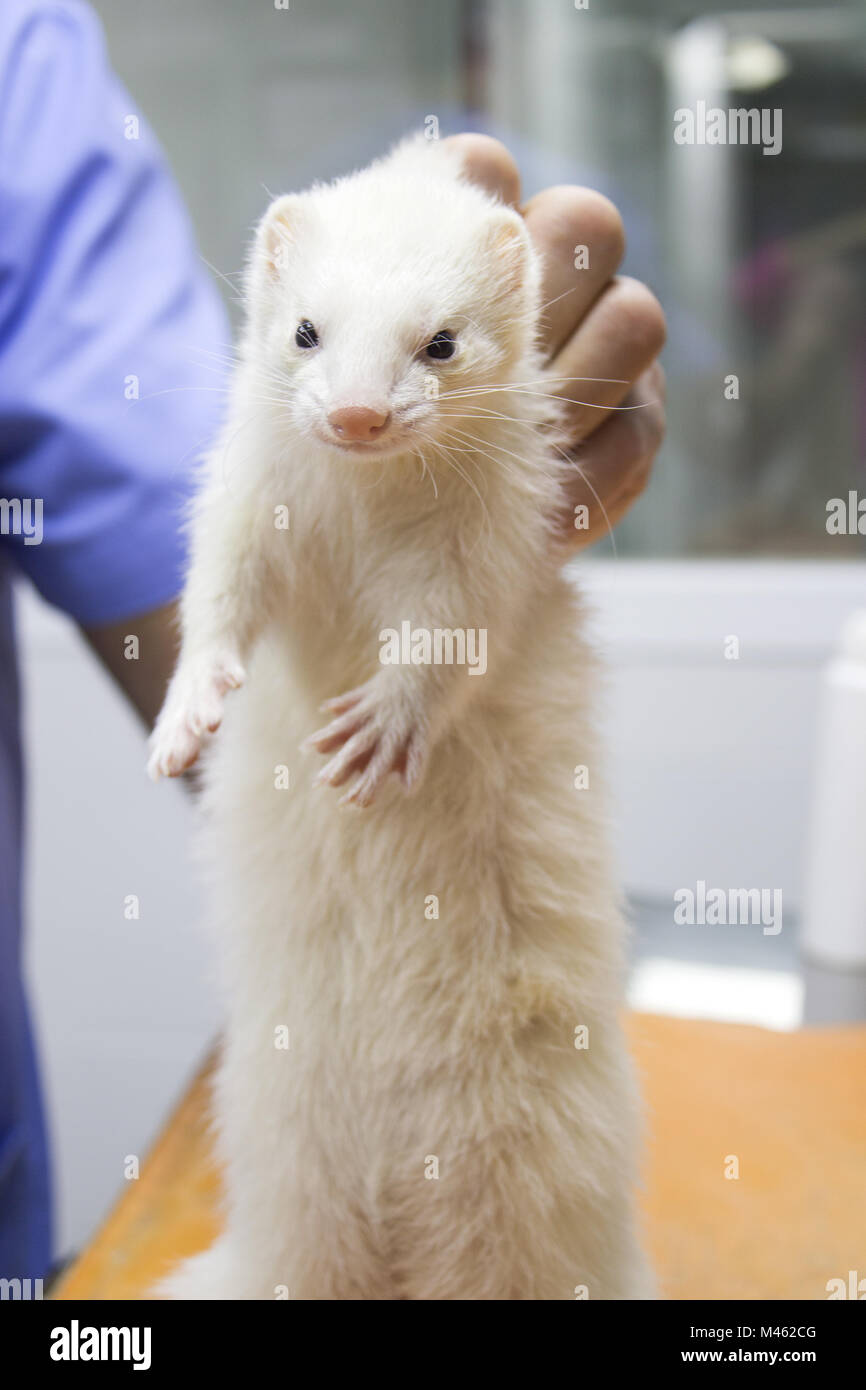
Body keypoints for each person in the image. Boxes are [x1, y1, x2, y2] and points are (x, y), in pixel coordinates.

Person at [0, 0, 665, 1283]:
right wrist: (212, 664)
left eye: (427, 348)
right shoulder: (277, 402)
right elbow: (218, 562)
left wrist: (454, 601)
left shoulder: (20, 61)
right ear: (272, 292)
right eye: (311, 344)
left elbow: (153, 532)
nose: (354, 405)